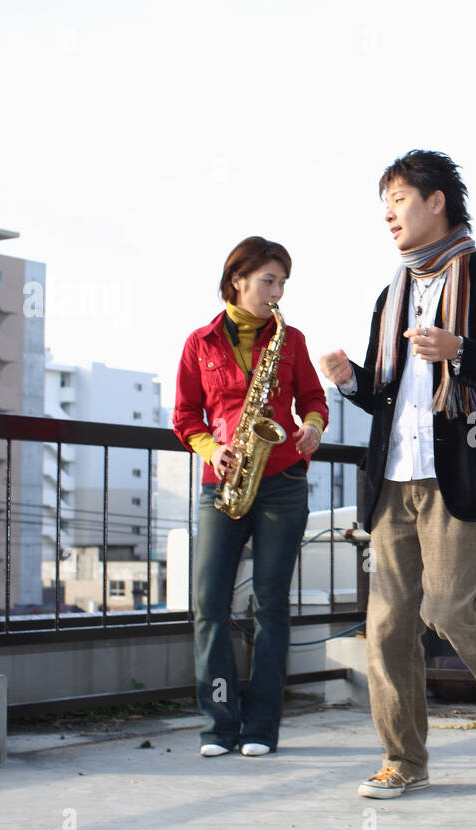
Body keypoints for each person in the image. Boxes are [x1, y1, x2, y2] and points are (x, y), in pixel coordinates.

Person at [320, 149, 476, 799]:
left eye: (397, 200)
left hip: (462, 474)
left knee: (449, 606)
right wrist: (351, 381)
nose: (387, 215)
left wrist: (461, 352)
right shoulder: (390, 296)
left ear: (436, 200)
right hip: (393, 479)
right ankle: (404, 761)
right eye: (383, 205)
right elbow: (385, 396)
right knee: (387, 630)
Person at [173, 236, 329, 757]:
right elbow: (185, 416)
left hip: (282, 481)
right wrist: (211, 449)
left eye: (283, 282)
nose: (277, 292)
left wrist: (311, 426)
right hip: (223, 482)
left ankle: (262, 728)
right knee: (209, 602)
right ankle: (218, 726)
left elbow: (312, 398)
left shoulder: (291, 339)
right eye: (269, 280)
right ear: (237, 279)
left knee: (270, 605)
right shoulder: (200, 342)